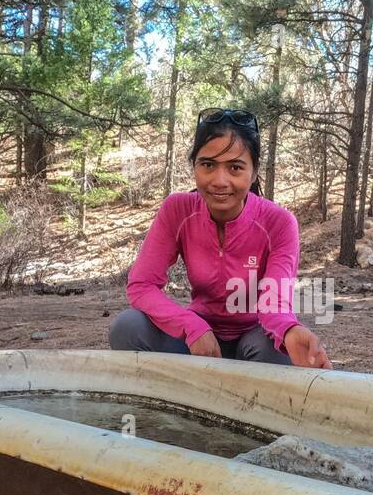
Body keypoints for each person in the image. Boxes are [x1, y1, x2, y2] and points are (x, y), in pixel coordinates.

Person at [109, 107, 331, 368]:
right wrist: (191, 326)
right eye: (208, 165)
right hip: (195, 340)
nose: (219, 181)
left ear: (254, 171)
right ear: (195, 166)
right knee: (128, 327)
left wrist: (289, 331)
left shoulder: (279, 223)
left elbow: (275, 304)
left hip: (254, 338)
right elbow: (142, 285)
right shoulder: (177, 210)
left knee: (277, 350)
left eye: (235, 167)